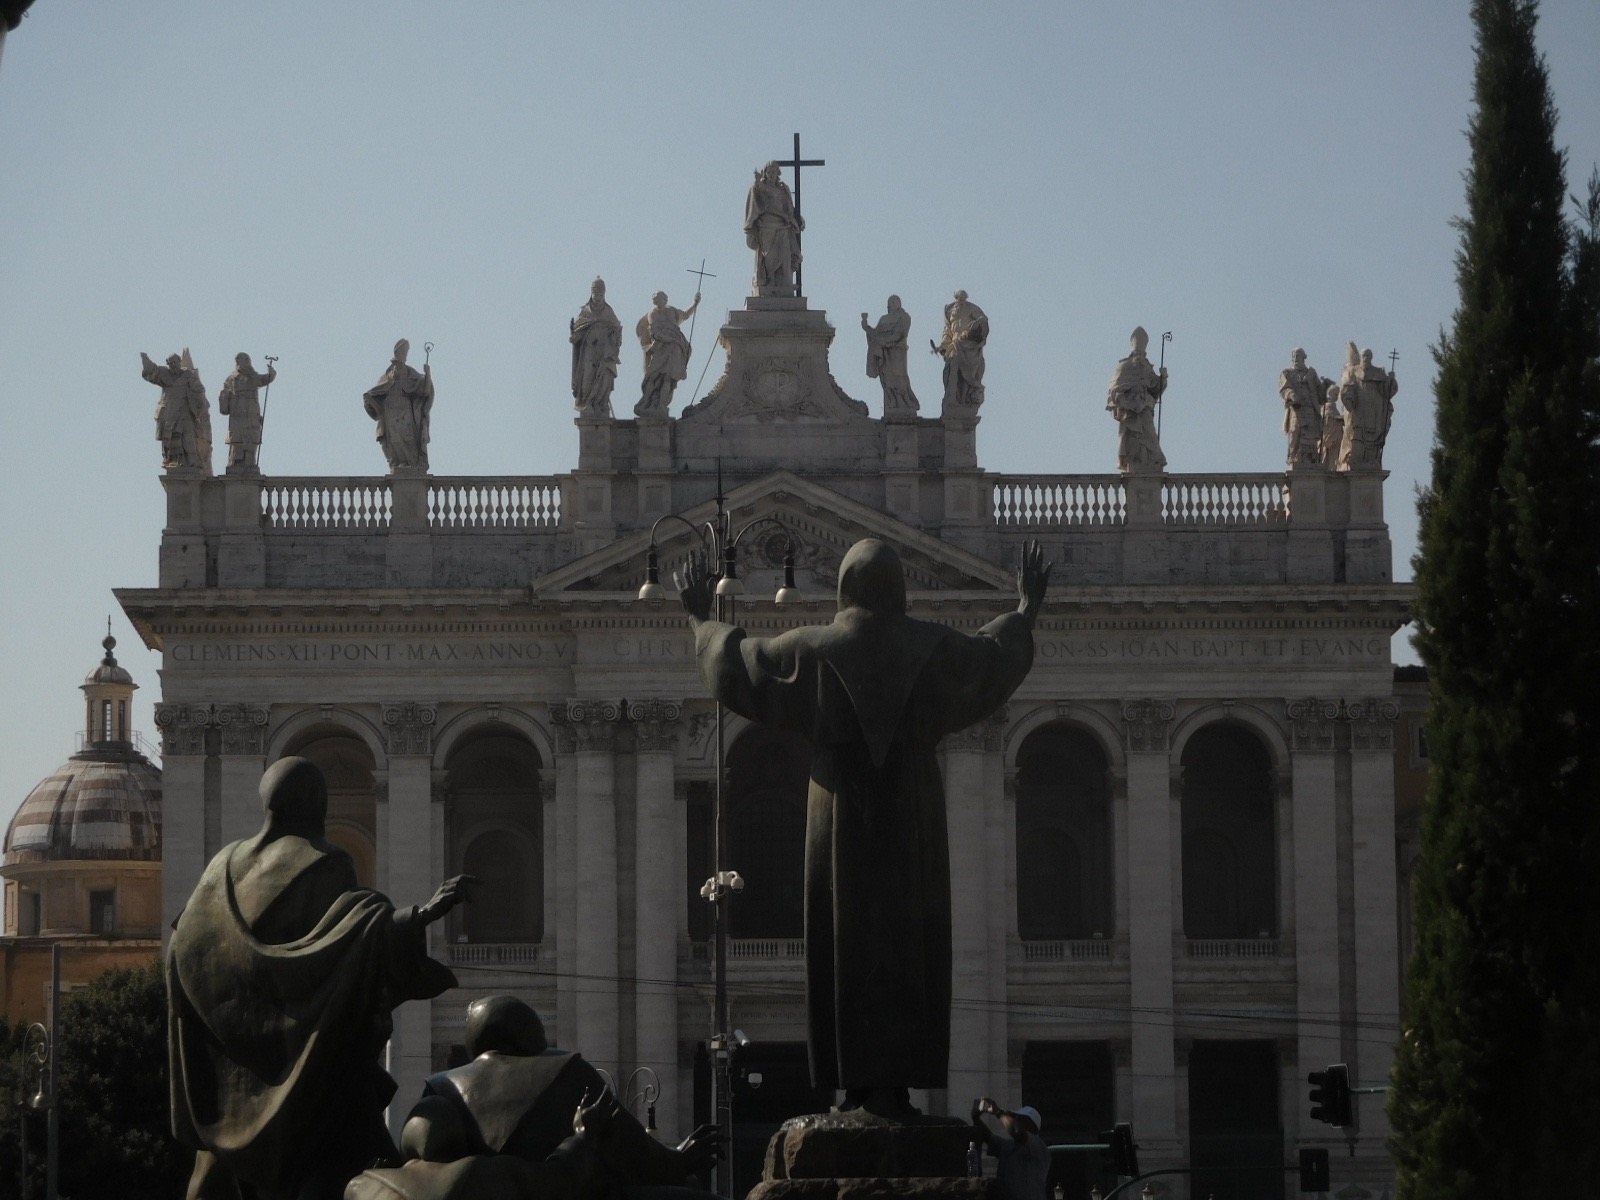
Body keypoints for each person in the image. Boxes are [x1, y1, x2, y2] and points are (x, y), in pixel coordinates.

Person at [680, 538, 1049, 1117]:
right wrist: (1025, 611)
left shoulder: (813, 648)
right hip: (913, 811)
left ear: (843, 587)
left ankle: (855, 1088)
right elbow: (992, 663)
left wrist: (704, 620)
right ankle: (899, 1089)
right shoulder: (933, 649)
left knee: (842, 940)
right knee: (910, 943)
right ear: (899, 589)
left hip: (838, 810)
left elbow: (740, 671)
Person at [167, 757, 476, 1200]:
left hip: (232, 1066)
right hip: (299, 1066)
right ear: (318, 806)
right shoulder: (324, 862)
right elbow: (353, 941)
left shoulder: (221, 866)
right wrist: (425, 913)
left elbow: (183, 949)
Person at [349, 995, 718, 1200]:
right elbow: (636, 1149)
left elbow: (420, 1143)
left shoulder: (440, 1088)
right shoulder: (568, 1071)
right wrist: (680, 1160)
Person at [364, 338, 434, 471]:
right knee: (394, 440)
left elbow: (424, 391)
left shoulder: (411, 374)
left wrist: (428, 374)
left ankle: (413, 466)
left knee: (408, 437)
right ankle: (398, 463)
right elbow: (378, 390)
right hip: (390, 413)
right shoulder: (388, 375)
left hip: (405, 411)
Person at [140, 349, 213, 473]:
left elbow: (198, 390)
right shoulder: (164, 374)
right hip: (170, 413)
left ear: (179, 362)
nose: (173, 365)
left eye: (175, 362)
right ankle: (175, 462)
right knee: (172, 439)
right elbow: (153, 372)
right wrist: (145, 359)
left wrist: (200, 403)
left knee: (188, 437)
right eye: (170, 363)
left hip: (185, 412)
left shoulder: (189, 375)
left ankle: (193, 462)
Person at [1106, 326, 1167, 472]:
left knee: (1149, 435)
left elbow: (1155, 387)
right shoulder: (1123, 366)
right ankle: (1136, 462)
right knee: (1133, 440)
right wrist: (1125, 401)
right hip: (1130, 411)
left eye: (1142, 352)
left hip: (1144, 407)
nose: (1140, 355)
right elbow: (1114, 391)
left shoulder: (1147, 367)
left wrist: (1163, 377)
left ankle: (1152, 461)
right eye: (1137, 352)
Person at [634, 292, 700, 417]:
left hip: (675, 347)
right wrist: (670, 339)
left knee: (668, 379)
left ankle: (661, 405)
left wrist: (695, 303)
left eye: (658, 300)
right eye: (655, 301)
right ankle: (647, 402)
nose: (655, 302)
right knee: (653, 376)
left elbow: (685, 314)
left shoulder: (672, 310)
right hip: (662, 346)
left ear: (664, 299)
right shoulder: (653, 313)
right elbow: (655, 333)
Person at [970, 1097, 1050, 1200]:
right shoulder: (1008, 1146)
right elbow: (987, 1136)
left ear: (1030, 1125)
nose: (1015, 1120)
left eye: (1019, 1118)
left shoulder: (1038, 1146)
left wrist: (998, 1112)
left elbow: (1016, 1131)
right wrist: (975, 1117)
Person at [744, 161, 803, 295]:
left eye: (773, 172)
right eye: (769, 172)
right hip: (767, 226)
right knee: (769, 257)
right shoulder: (760, 188)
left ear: (778, 174)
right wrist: (757, 184)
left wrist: (797, 219)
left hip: (784, 226)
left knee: (785, 255)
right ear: (765, 173)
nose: (771, 175)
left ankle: (786, 283)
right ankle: (768, 280)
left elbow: (789, 208)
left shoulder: (783, 189)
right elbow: (756, 203)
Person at [1337, 343, 1397, 471]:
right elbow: (1347, 388)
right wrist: (1348, 399)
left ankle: (1372, 461)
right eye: (1363, 355)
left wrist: (1391, 381)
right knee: (1358, 436)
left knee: (1375, 437)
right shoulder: (1353, 371)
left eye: (1368, 356)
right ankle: (1357, 462)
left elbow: (1387, 391)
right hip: (1360, 410)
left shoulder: (1379, 372)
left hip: (1375, 410)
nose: (1365, 358)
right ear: (1360, 357)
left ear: (1371, 357)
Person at [570, 279, 623, 417]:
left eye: (600, 295)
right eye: (595, 295)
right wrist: (575, 336)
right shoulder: (585, 312)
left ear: (604, 295)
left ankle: (600, 404)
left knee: (604, 377)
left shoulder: (609, 312)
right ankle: (587, 404)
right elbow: (578, 332)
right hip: (589, 353)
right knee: (587, 377)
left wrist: (615, 336)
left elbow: (617, 329)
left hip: (605, 353)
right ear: (591, 295)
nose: (598, 298)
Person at [217, 351, 277, 471]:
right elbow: (224, 401)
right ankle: (235, 463)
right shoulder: (231, 379)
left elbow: (265, 379)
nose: (239, 364)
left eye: (241, 361)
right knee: (237, 439)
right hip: (237, 415)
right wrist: (224, 398)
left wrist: (271, 373)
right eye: (238, 361)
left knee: (251, 438)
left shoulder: (253, 377)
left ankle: (249, 463)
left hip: (251, 414)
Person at [862, 296, 919, 415]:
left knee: (898, 376)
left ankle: (903, 401)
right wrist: (866, 327)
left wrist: (885, 341)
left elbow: (900, 334)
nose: (892, 303)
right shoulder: (883, 319)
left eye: (895, 301)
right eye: (890, 302)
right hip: (884, 352)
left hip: (897, 351)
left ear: (899, 303)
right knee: (886, 377)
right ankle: (892, 400)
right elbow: (875, 334)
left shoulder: (904, 317)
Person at [934, 290, 989, 411]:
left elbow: (983, 322)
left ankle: (960, 399)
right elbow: (948, 331)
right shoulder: (949, 310)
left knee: (964, 378)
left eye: (962, 299)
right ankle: (951, 399)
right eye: (958, 299)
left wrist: (975, 328)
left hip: (968, 345)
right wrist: (942, 346)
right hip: (955, 344)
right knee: (951, 369)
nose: (960, 301)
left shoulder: (972, 308)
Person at [1278, 348, 1326, 467]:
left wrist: (1324, 388)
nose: (1295, 358)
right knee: (1295, 434)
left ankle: (1310, 460)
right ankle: (1294, 459)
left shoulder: (1311, 373)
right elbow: (1284, 389)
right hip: (1296, 410)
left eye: (1298, 355)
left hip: (1310, 410)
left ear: (1303, 357)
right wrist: (1291, 395)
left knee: (1311, 436)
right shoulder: (1287, 373)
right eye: (1294, 356)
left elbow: (1320, 393)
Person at [1318, 382, 1345, 468]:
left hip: (1336, 435)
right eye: (1335, 394)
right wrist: (1340, 418)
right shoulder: (1327, 406)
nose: (1336, 397)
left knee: (1335, 456)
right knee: (1330, 455)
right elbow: (1327, 418)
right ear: (1330, 394)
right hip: (1330, 435)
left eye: (1337, 395)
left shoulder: (1333, 406)